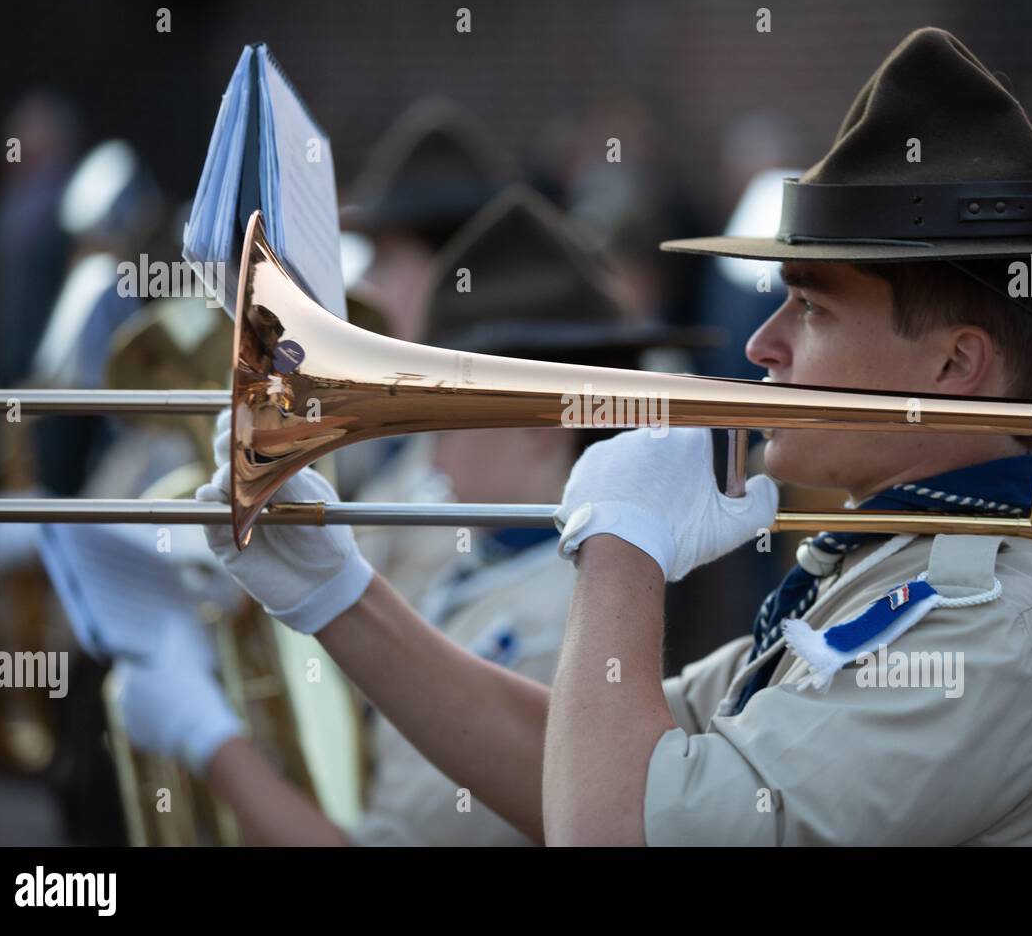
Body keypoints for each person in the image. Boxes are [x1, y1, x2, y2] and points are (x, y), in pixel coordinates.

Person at [194, 28, 1032, 845]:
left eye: (811, 309)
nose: (764, 343)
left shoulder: (990, 639)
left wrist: (621, 549)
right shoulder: (891, 565)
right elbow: (576, 764)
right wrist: (339, 596)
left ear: (953, 367)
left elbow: (613, 830)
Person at [111, 186, 702, 845]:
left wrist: (212, 742)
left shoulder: (560, 621)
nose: (435, 461)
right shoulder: (483, 565)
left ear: (539, 426)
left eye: (447, 420)